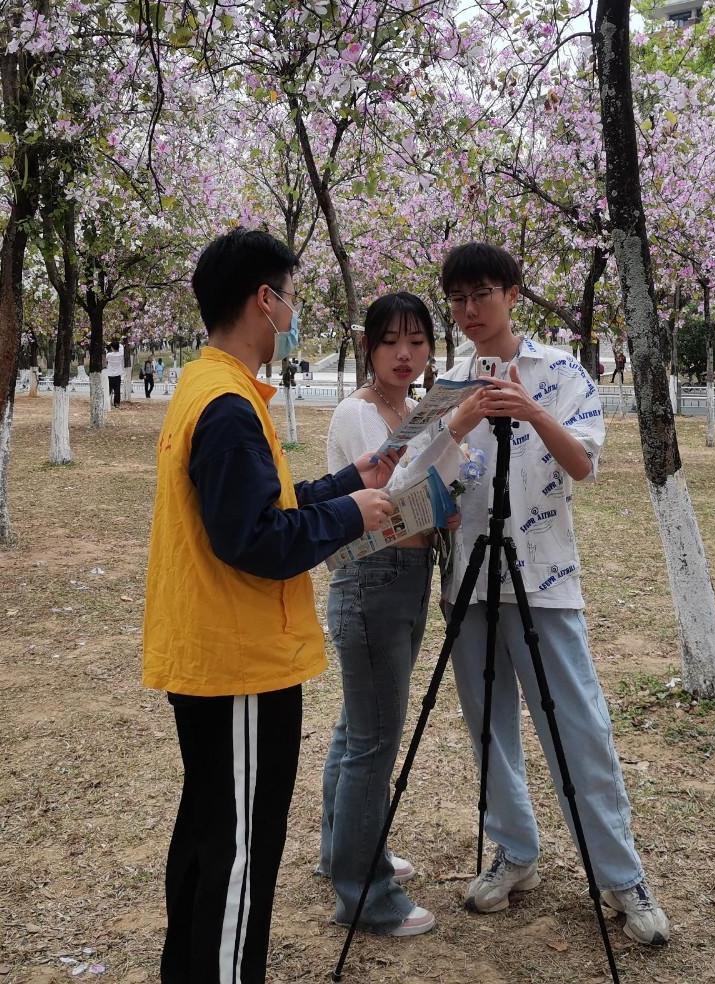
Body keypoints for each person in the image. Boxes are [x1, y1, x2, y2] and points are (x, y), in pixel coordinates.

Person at [142, 227, 400, 984]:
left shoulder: (209, 386)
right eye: (290, 296)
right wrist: (355, 515)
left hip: (217, 656)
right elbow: (255, 538)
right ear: (264, 300)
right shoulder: (227, 406)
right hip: (240, 668)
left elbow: (262, 504)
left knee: (210, 831)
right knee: (238, 852)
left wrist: (349, 482)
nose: (293, 311)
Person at [439, 242, 670, 947]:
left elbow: (583, 465)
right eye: (457, 299)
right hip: (469, 577)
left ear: (512, 294)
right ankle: (515, 850)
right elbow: (425, 473)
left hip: (544, 578)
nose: (469, 311)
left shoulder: (563, 371)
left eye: (482, 294)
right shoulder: (450, 380)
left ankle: (620, 875)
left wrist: (532, 412)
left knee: (579, 727)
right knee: (488, 727)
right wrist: (454, 425)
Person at [318, 291, 485, 937]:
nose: (405, 354)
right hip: (373, 576)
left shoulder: (411, 410)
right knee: (373, 740)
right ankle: (365, 896)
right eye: (390, 341)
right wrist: (453, 431)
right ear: (368, 347)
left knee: (356, 730)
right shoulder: (359, 412)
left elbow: (431, 487)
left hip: (403, 576)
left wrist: (444, 499)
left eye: (417, 341)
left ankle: (343, 854)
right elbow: (391, 493)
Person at [106, 340, 124, 408]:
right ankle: (117, 404)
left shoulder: (109, 355)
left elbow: (106, 360)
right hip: (117, 375)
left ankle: (107, 403)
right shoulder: (120, 355)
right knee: (117, 391)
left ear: (112, 347)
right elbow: (121, 347)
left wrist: (108, 343)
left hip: (110, 375)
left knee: (109, 390)